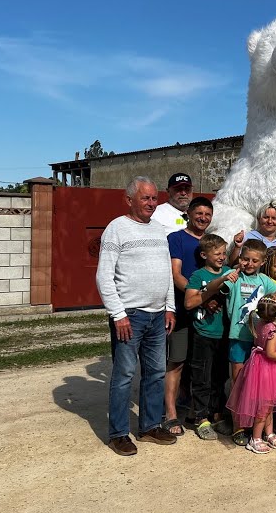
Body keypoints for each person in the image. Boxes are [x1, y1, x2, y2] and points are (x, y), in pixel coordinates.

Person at [96, 176, 179, 456]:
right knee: (124, 375)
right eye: (145, 198)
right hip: (130, 317)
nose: (151, 203)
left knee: (155, 373)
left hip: (157, 316)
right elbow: (104, 276)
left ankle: (149, 426)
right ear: (129, 199)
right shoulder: (116, 229)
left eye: (154, 198)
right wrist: (118, 314)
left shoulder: (158, 229)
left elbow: (166, 272)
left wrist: (170, 307)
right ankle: (118, 433)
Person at [222, 239, 276, 445]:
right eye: (246, 259)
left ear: (262, 262)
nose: (249, 264)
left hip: (259, 339)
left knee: (263, 387)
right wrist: (230, 274)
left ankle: (262, 428)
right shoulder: (234, 276)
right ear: (240, 258)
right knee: (238, 382)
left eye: (254, 260)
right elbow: (221, 287)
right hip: (238, 337)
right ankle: (238, 426)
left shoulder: (264, 280)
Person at [226, 297, 276, 455]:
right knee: (264, 407)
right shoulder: (272, 330)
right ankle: (255, 438)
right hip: (268, 369)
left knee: (269, 404)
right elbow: (271, 353)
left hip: (262, 366)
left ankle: (268, 433)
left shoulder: (260, 323)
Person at [164, 196, 213, 436]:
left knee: (201, 363)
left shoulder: (212, 242)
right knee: (177, 361)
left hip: (207, 313)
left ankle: (196, 410)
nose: (203, 218)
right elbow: (175, 274)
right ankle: (170, 413)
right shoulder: (176, 238)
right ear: (189, 214)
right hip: (183, 310)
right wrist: (202, 296)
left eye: (207, 214)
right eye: (199, 213)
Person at [183, 233, 231, 440]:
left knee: (220, 377)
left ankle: (217, 414)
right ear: (204, 255)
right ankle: (201, 418)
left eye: (224, 253)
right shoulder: (198, 276)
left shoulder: (229, 271)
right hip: (203, 334)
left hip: (225, 333)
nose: (222, 257)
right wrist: (207, 296)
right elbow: (188, 303)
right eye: (217, 253)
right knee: (201, 377)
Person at [228, 200, 276, 264]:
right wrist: (237, 247)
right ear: (259, 219)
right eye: (266, 217)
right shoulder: (247, 237)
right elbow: (232, 264)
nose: (269, 221)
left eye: (274, 218)